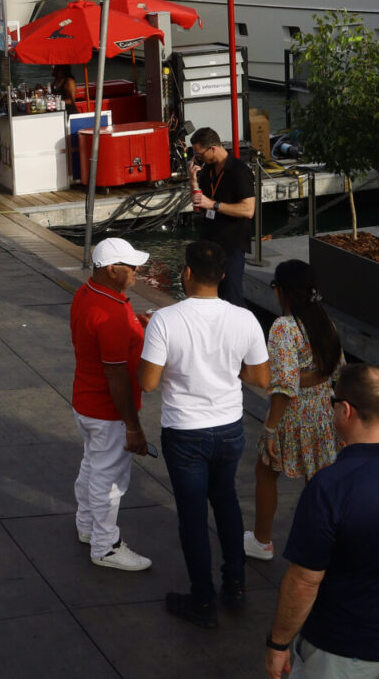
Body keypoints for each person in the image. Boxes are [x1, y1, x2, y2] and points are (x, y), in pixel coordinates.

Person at [264, 365, 379, 679]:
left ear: (345, 410)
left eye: (332, 403)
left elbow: (304, 580)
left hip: (340, 649)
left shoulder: (330, 486)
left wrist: (278, 642)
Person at [138, 240, 270, 629]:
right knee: (226, 501)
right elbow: (261, 378)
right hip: (229, 426)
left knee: (193, 516)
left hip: (184, 431)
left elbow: (148, 383)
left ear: (188, 273)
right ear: (224, 274)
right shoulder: (243, 318)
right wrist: (227, 369)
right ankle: (236, 583)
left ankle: (203, 599)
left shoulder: (166, 320)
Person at [246, 259, 342, 563]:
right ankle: (325, 545)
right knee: (318, 484)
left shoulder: (283, 327)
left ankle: (262, 541)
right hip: (323, 415)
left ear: (281, 291)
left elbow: (285, 384)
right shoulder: (325, 322)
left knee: (266, 472)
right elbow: (337, 370)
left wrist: (270, 427)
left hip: (291, 417)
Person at [70, 237, 154, 572]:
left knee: (92, 466)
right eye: (130, 266)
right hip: (108, 413)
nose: (137, 270)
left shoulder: (87, 295)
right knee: (111, 481)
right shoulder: (112, 314)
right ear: (112, 269)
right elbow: (117, 377)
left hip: (86, 403)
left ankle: (87, 527)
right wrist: (133, 427)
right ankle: (105, 547)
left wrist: (136, 325)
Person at [188, 127, 256, 306]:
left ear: (212, 149)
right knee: (208, 295)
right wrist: (193, 180)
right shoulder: (207, 170)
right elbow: (198, 205)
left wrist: (213, 205)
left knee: (231, 295)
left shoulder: (239, 171)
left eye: (199, 153)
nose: (197, 157)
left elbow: (248, 210)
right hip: (209, 242)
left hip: (231, 245)